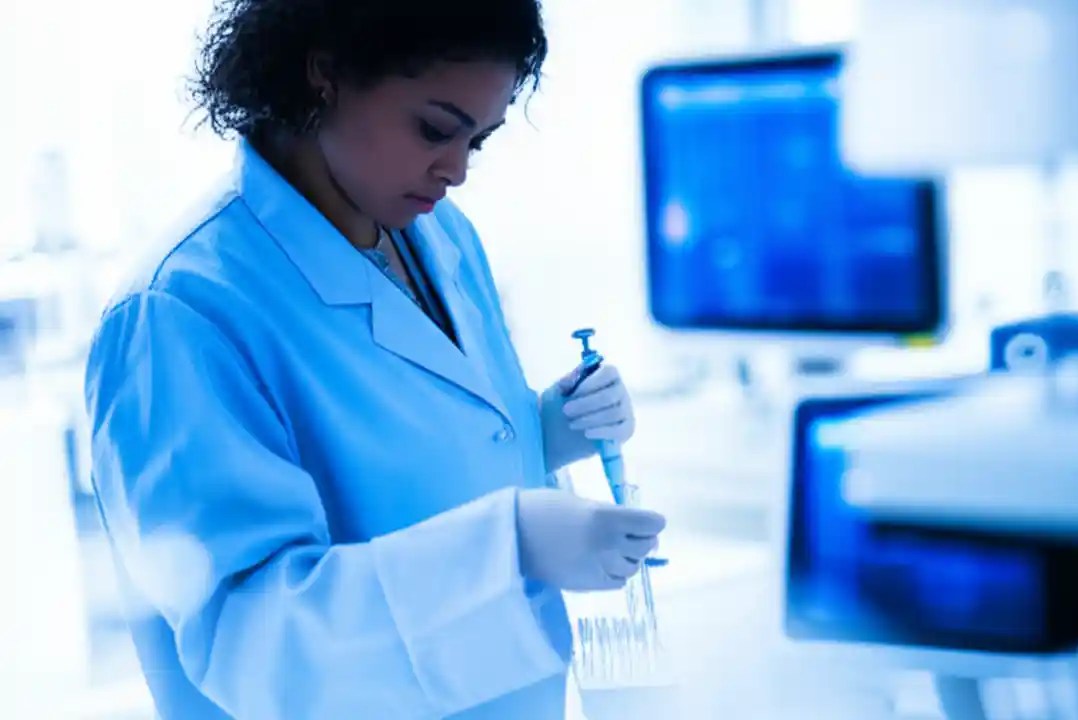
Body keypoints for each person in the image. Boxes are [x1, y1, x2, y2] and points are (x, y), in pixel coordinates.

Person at [82, 1, 666, 718]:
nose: (455, 171)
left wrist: (541, 432)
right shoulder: (179, 310)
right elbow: (255, 643)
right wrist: (508, 551)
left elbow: (412, 460)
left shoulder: (439, 235)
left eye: (477, 142)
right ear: (325, 70)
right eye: (434, 129)